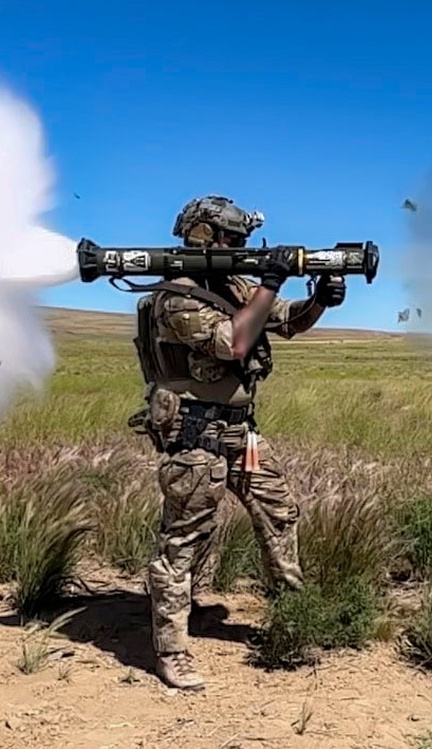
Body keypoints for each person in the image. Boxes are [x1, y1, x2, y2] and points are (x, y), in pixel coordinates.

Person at [130, 195, 347, 690]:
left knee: (280, 513)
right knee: (185, 539)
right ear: (204, 237)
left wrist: (319, 299)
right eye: (232, 239)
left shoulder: (234, 285)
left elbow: (284, 320)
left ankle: (294, 616)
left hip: (240, 430)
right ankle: (172, 650)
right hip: (195, 435)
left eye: (243, 241)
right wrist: (270, 281)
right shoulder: (176, 297)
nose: (239, 247)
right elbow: (234, 342)